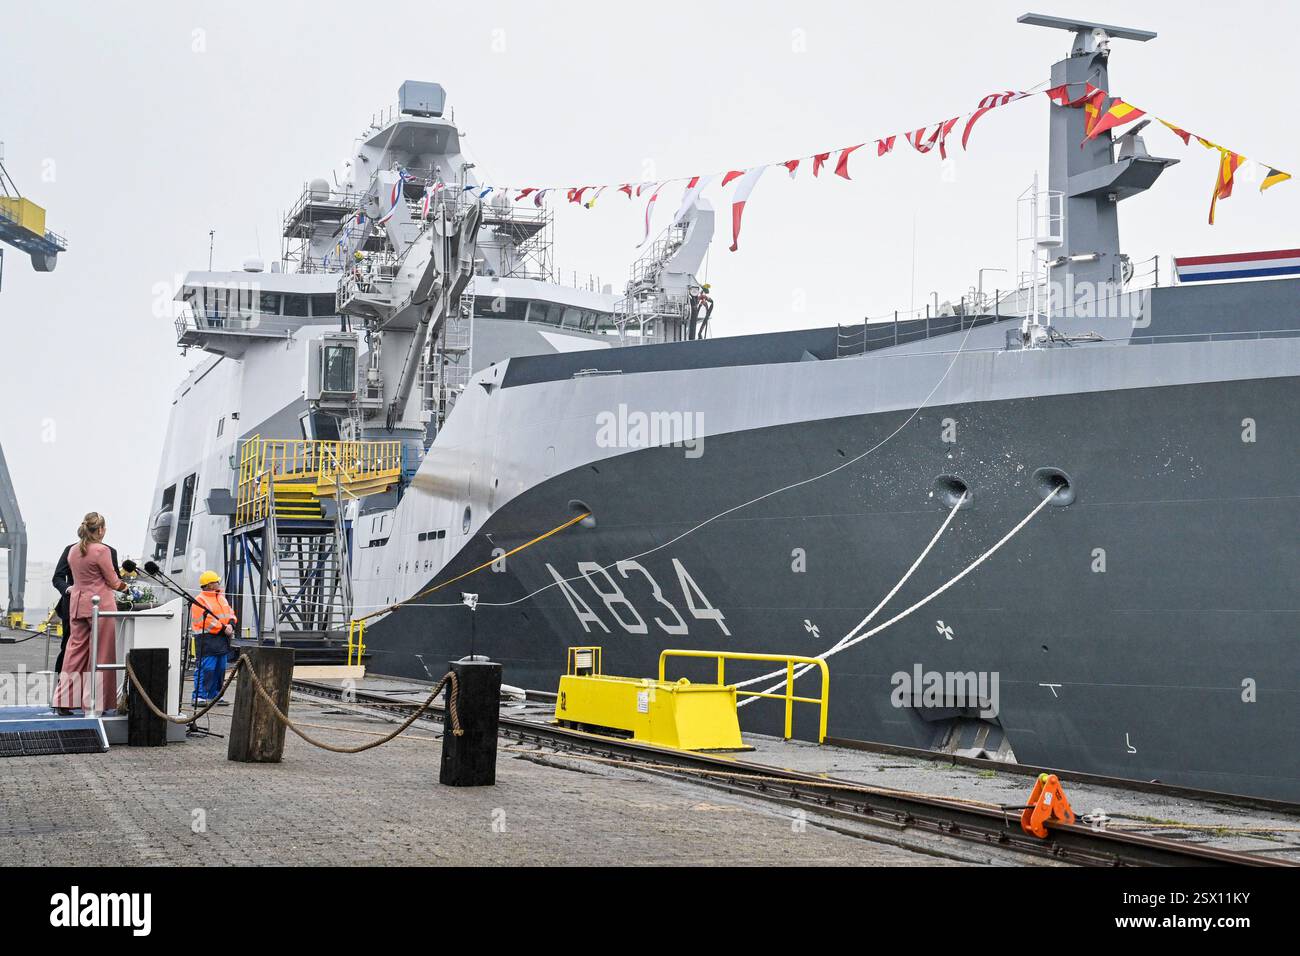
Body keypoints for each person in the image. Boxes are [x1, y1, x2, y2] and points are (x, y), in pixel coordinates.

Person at [53, 513, 127, 715]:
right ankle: (95, 703)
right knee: (101, 654)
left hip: (77, 605)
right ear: (101, 530)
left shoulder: (73, 550)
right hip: (100, 606)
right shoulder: (102, 550)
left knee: (73, 654)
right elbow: (113, 581)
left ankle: (63, 700)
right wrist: (128, 589)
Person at [51, 537, 120, 676]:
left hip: (101, 607)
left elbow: (115, 579)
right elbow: (57, 577)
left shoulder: (110, 551)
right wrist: (68, 589)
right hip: (73, 604)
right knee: (68, 649)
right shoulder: (71, 549)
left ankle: (87, 690)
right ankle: (63, 684)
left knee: (99, 651)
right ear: (101, 530)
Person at [191, 570, 237, 706]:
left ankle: (216, 695)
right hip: (207, 640)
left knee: (220, 669)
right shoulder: (200, 600)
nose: (218, 583)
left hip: (221, 639)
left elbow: (230, 613)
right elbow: (205, 621)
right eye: (216, 581)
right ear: (210, 585)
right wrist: (224, 628)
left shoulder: (221, 598)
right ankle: (199, 696)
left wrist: (232, 624)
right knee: (207, 669)